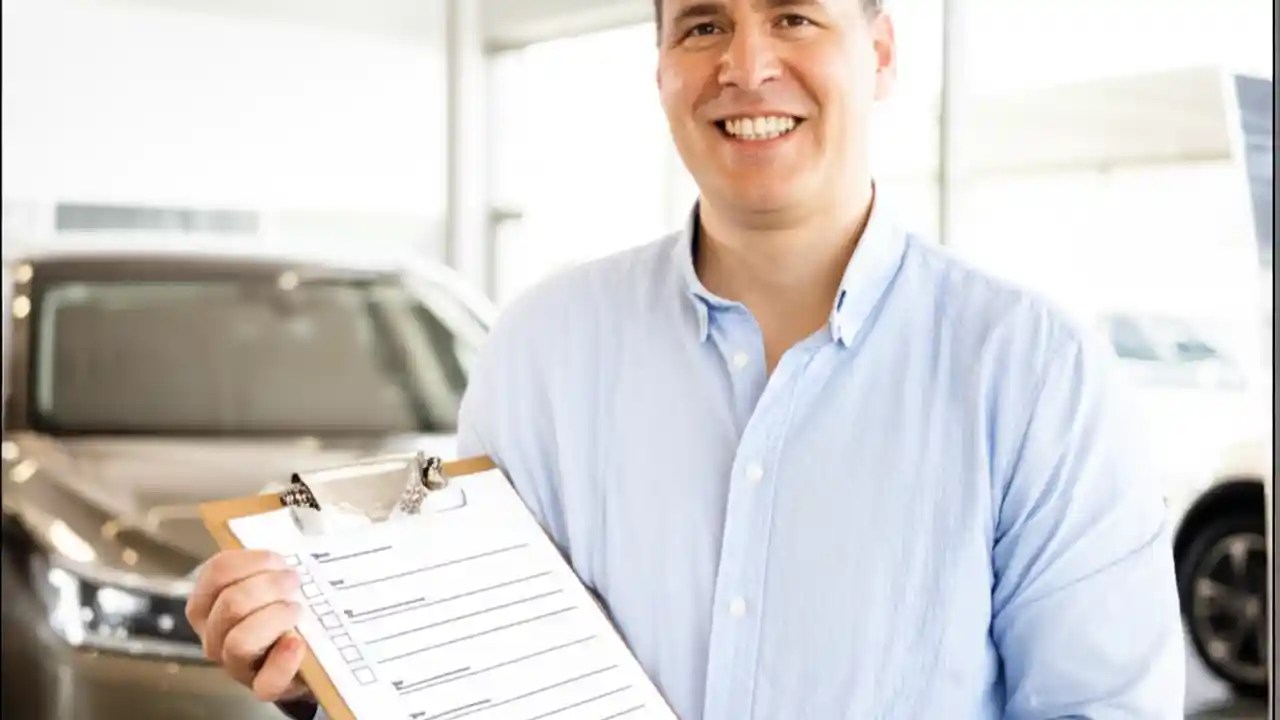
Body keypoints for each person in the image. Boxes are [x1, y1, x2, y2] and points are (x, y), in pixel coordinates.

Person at [186, 1, 1185, 717]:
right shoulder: (542, 349)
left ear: (877, 55)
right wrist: (327, 670)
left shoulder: (1031, 370)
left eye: (793, 17)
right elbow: (475, 679)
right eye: (701, 23)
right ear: (660, 67)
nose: (744, 65)